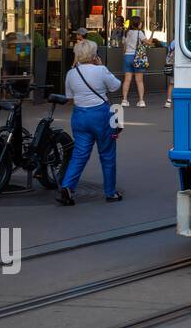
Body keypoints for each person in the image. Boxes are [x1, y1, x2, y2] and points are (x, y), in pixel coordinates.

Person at [58, 38, 122, 206]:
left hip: (79, 115)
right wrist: (102, 67)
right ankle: (110, 192)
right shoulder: (101, 70)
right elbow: (116, 86)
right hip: (100, 115)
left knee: (79, 154)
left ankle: (67, 186)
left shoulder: (71, 73)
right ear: (94, 55)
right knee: (107, 154)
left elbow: (70, 97)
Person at [121, 15, 153, 108]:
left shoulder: (127, 33)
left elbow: (124, 47)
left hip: (127, 56)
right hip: (137, 58)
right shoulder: (140, 33)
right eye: (140, 22)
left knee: (127, 80)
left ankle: (124, 100)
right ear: (138, 24)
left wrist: (126, 55)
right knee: (139, 81)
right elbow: (149, 43)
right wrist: (153, 32)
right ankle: (141, 101)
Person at [164, 37, 175, 108]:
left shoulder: (173, 42)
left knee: (171, 83)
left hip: (172, 64)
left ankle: (168, 101)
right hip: (177, 65)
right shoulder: (181, 41)